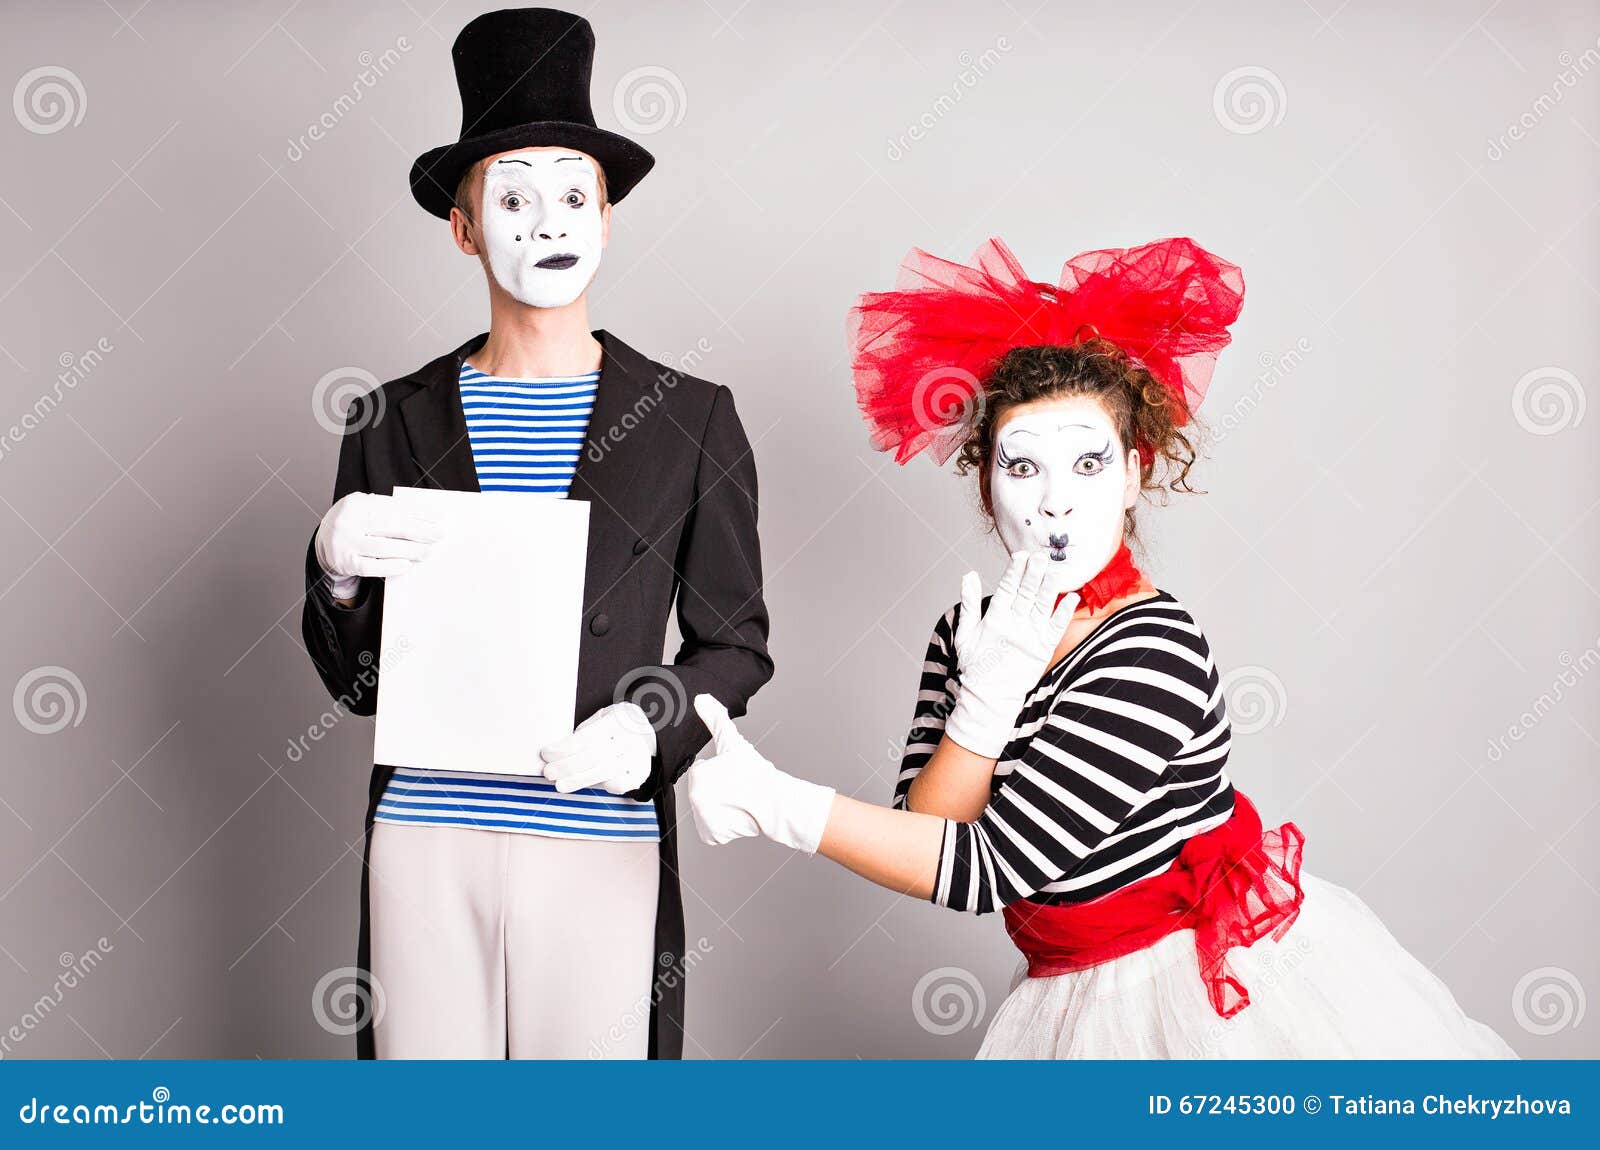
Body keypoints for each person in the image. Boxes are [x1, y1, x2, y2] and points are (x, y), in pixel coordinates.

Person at [683, 235, 1517, 1058]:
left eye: (1088, 464)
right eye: (1023, 467)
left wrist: (781, 804)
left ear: (1133, 475)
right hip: (1063, 986)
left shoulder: (1154, 649)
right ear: (985, 483)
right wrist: (982, 707)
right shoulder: (968, 632)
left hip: (1189, 998)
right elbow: (926, 829)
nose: (1055, 503)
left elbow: (983, 871)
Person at [300, 7, 772, 1059]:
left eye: (573, 195)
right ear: (465, 229)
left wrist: (650, 723)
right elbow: (360, 685)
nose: (548, 223)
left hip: (597, 835)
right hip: (425, 840)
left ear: (607, 217)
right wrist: (333, 573)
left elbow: (735, 645)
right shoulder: (389, 418)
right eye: (512, 198)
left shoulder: (691, 419)